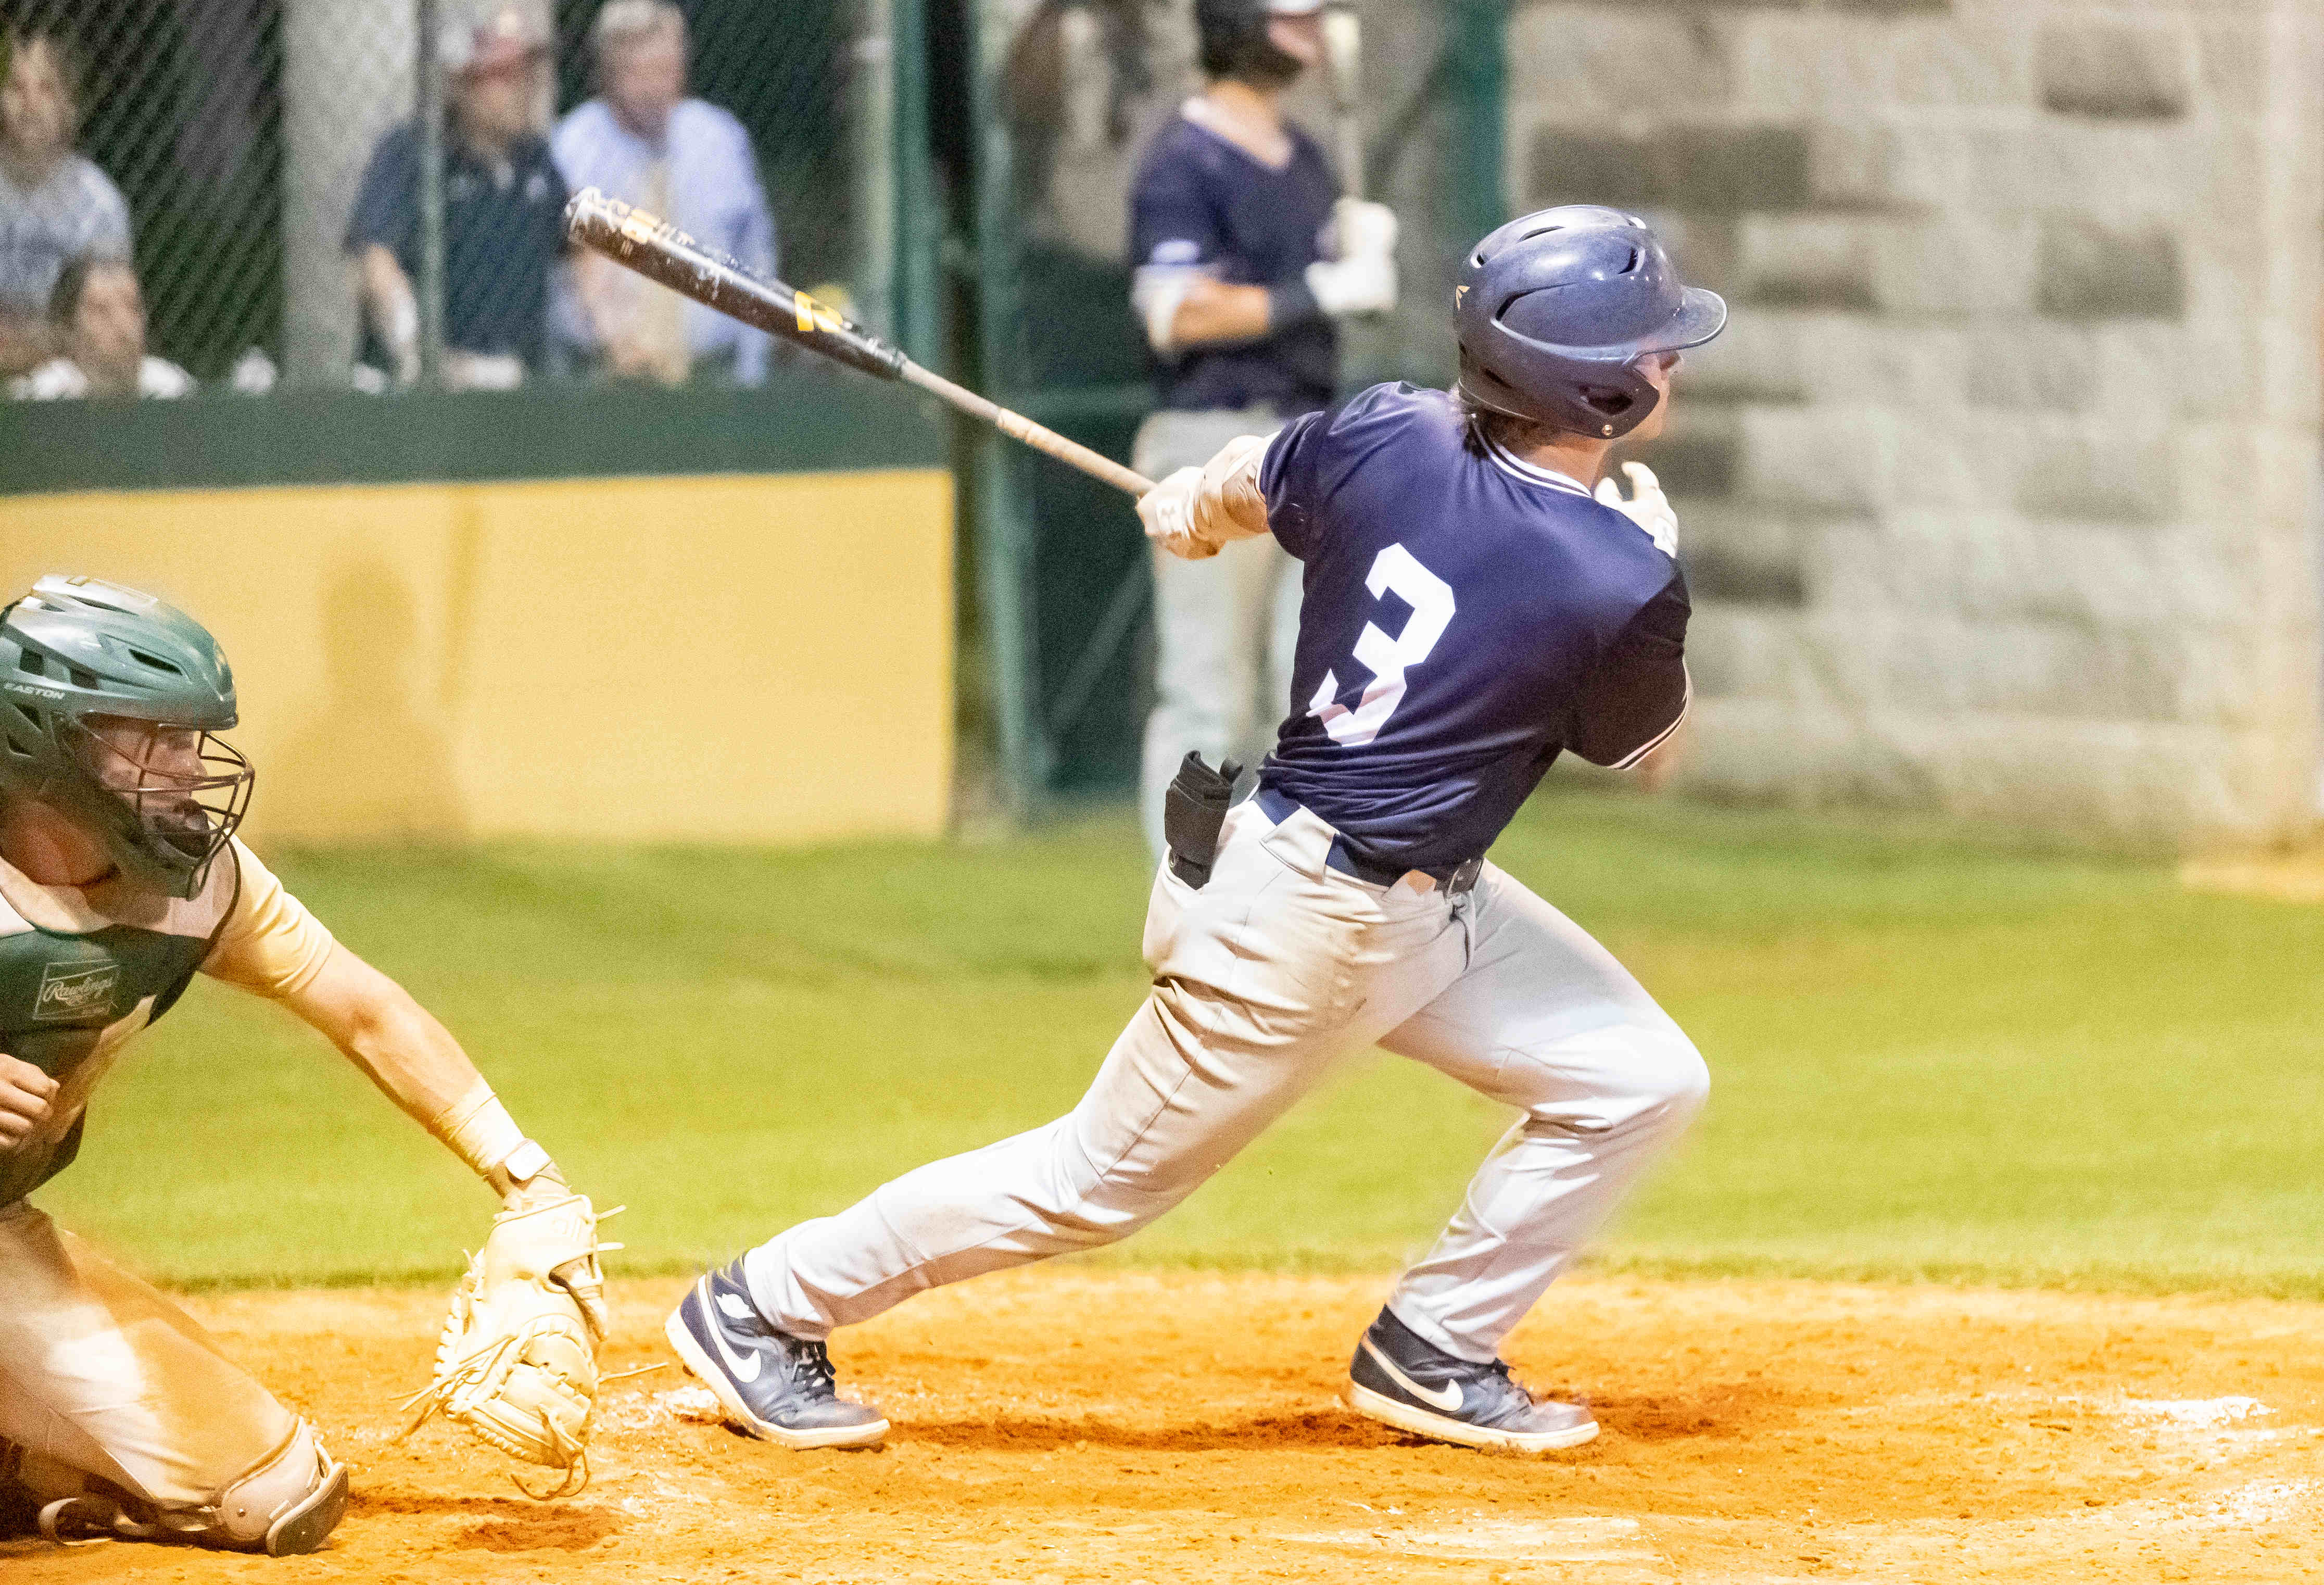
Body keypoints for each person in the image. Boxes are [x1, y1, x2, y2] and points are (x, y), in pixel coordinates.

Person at [665, 207, 1723, 1455]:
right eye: (1650, 348)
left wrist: (1192, 508)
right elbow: (1649, 753)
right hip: (1308, 929)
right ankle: (761, 1302)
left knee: (1638, 1078)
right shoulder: (1611, 575)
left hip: (1404, 897)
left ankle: (1432, 1344)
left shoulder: (1384, 427)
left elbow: (1249, 479)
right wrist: (1648, 571)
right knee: (1088, 1182)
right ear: (1590, 386)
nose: (1668, 362)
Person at [0, 575, 603, 1550]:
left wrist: (526, 1177)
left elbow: (364, 1008)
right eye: (148, 737)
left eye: (191, 736)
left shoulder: (196, 881)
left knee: (272, 1486)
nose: (186, 765)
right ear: (44, 740)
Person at [1126, 0, 1399, 862]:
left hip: (1306, 446)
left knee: (1306, 690)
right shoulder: (1181, 160)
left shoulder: (1309, 160)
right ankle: (1184, 889)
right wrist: (1318, 290)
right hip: (1210, 439)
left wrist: (1356, 258)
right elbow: (1176, 312)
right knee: (1207, 694)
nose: (1316, 31)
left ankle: (1284, 901)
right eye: (1294, 16)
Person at [552, 0, 776, 385]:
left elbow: (757, 256)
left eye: (667, 70)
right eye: (640, 72)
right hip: (604, 379)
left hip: (712, 375)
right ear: (608, 74)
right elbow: (559, 271)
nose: (657, 88)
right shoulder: (570, 149)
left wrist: (752, 374)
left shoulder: (720, 139)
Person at [346, 7, 569, 389]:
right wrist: (417, 350)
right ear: (462, 84)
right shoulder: (411, 152)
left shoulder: (537, 160)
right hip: (420, 392)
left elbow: (583, 252)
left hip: (514, 389)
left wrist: (621, 334)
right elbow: (374, 260)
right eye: (503, 76)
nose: (524, 89)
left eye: (527, 75)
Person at [0, 30, 131, 380]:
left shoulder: (100, 204)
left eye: (46, 88)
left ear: (68, 106)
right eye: (16, 87)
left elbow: (107, 326)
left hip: (69, 380)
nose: (30, 104)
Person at [10, 256, 191, 400]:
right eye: (101, 311)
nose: (124, 327)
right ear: (67, 326)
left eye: (133, 308)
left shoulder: (170, 387)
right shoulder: (43, 395)